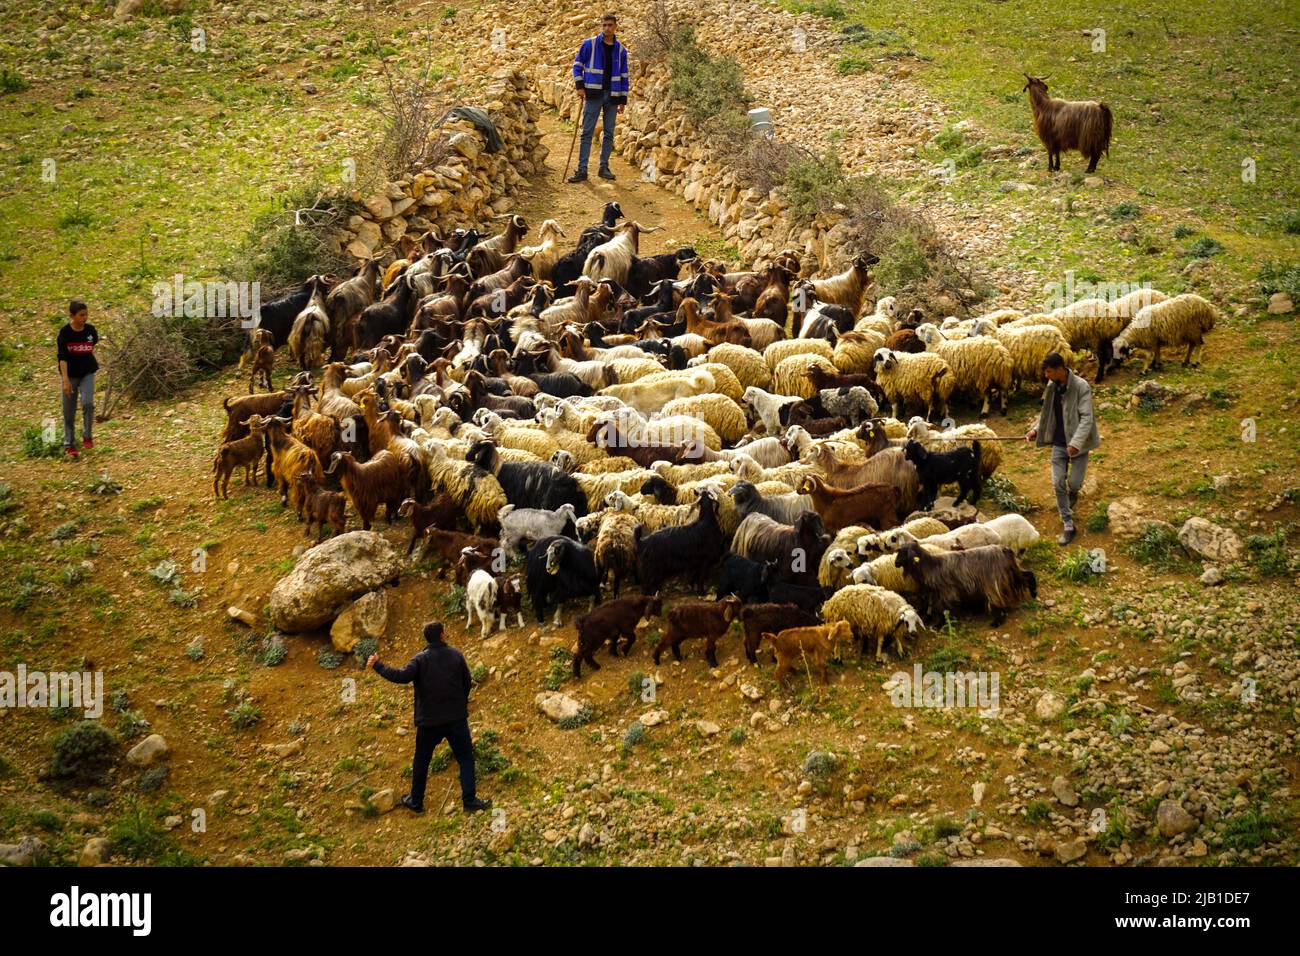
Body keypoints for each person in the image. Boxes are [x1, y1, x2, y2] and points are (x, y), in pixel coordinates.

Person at [368, 622, 491, 814]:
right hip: (456, 719)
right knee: (465, 758)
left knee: (422, 761)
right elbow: (467, 682)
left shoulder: (420, 660)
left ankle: (416, 802)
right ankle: (469, 802)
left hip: (429, 722)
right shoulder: (456, 656)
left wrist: (378, 665)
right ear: (442, 635)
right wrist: (460, 703)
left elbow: (401, 676)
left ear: (427, 638)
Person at [1025, 352, 1100, 545]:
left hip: (1078, 445)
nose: (1046, 375)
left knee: (1074, 484)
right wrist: (1035, 430)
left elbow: (1086, 418)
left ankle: (1073, 493)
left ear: (1060, 369)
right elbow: (1046, 413)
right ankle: (1068, 523)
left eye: (1049, 371)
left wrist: (1075, 443)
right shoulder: (1052, 386)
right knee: (1058, 483)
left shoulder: (1081, 387)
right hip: (1059, 444)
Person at [567, 12, 630, 183]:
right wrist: (580, 86)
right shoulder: (590, 44)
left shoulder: (621, 50)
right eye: (604, 25)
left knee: (609, 133)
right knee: (587, 132)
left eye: (610, 25)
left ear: (615, 27)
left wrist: (622, 99)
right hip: (593, 95)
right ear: (601, 26)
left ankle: (604, 167)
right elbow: (577, 66)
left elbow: (625, 76)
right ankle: (582, 170)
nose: (607, 28)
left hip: (612, 96)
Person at [57, 300, 99, 460]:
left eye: (86, 314)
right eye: (81, 315)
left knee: (87, 403)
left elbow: (92, 344)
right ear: (72, 315)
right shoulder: (65, 333)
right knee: (69, 410)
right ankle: (69, 444)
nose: (84, 318)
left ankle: (87, 436)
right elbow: (62, 358)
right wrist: (66, 380)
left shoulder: (90, 331)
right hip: (70, 375)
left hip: (88, 372)